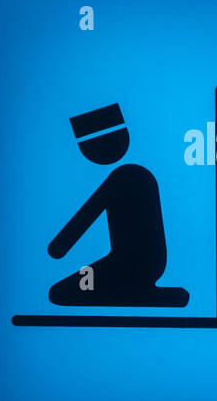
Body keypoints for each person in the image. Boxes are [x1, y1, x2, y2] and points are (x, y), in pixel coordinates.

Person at [47, 103, 188, 307]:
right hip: (151, 266)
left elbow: (74, 229)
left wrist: (58, 248)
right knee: (60, 293)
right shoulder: (137, 175)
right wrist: (58, 248)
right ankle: (146, 292)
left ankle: (140, 292)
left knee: (58, 293)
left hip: (124, 265)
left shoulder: (123, 176)